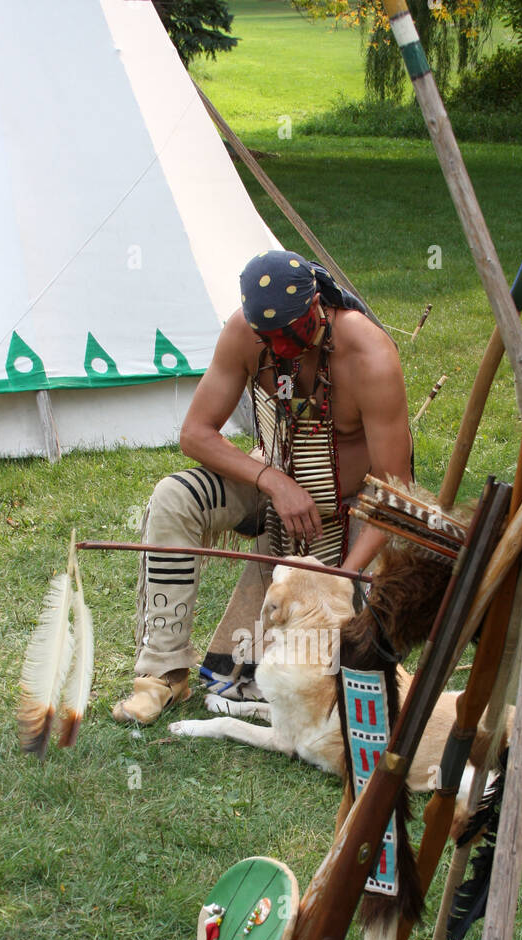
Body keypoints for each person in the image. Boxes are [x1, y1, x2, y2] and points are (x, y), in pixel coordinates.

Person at [113, 249, 414, 725]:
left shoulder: (369, 355)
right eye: (269, 340)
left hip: (355, 512)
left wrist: (336, 578)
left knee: (340, 669)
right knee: (174, 498)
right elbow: (195, 432)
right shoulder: (244, 333)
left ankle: (282, 659)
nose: (281, 348)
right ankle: (163, 672)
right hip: (271, 485)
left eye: (292, 336)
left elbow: (396, 495)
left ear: (316, 309)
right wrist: (272, 481)